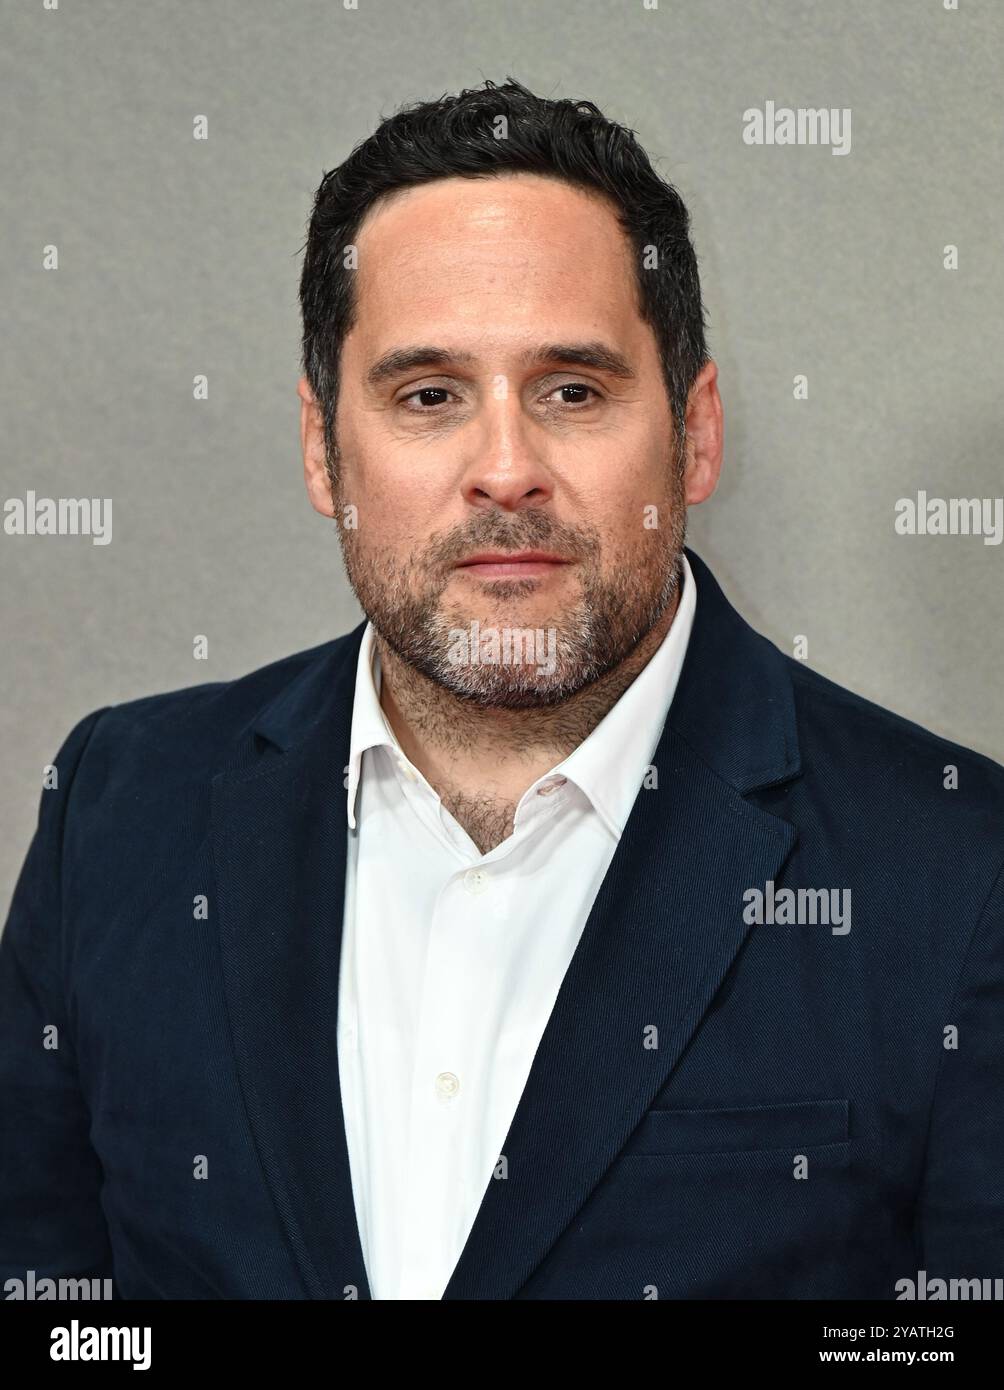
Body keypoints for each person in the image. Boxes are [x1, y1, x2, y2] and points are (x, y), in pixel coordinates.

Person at [2, 80, 1002, 1301]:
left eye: (571, 390)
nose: (504, 471)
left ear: (692, 434)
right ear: (324, 450)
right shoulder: (118, 813)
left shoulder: (957, 865)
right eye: (428, 395)